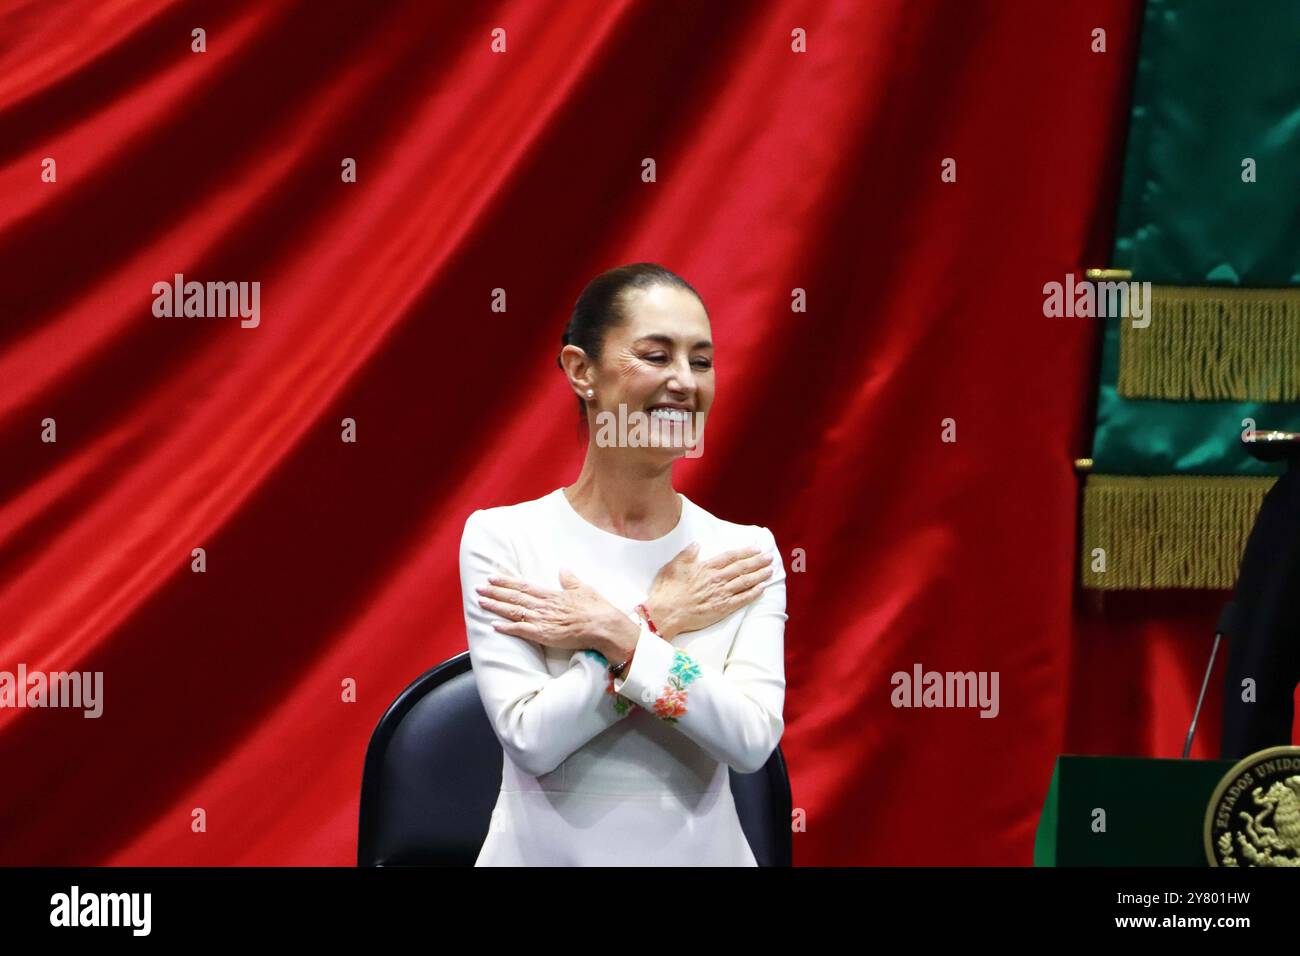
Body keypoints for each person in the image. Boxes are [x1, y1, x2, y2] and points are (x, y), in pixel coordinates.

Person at [459, 262, 787, 865]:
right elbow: (533, 740)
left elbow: (750, 740)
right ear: (581, 371)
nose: (685, 382)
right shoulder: (502, 537)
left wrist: (622, 635)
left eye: (703, 361)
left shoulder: (744, 552)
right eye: (656, 356)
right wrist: (657, 621)